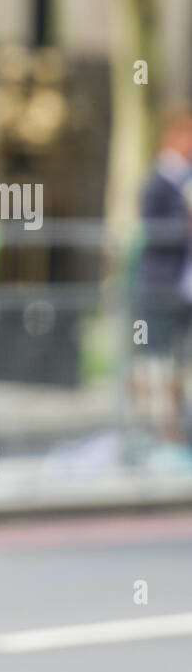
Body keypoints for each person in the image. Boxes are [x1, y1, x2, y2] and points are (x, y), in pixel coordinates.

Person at [130, 104, 192, 446]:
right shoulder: (157, 183)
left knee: (178, 366)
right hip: (161, 287)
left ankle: (175, 432)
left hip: (183, 290)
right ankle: (157, 434)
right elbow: (154, 230)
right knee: (156, 362)